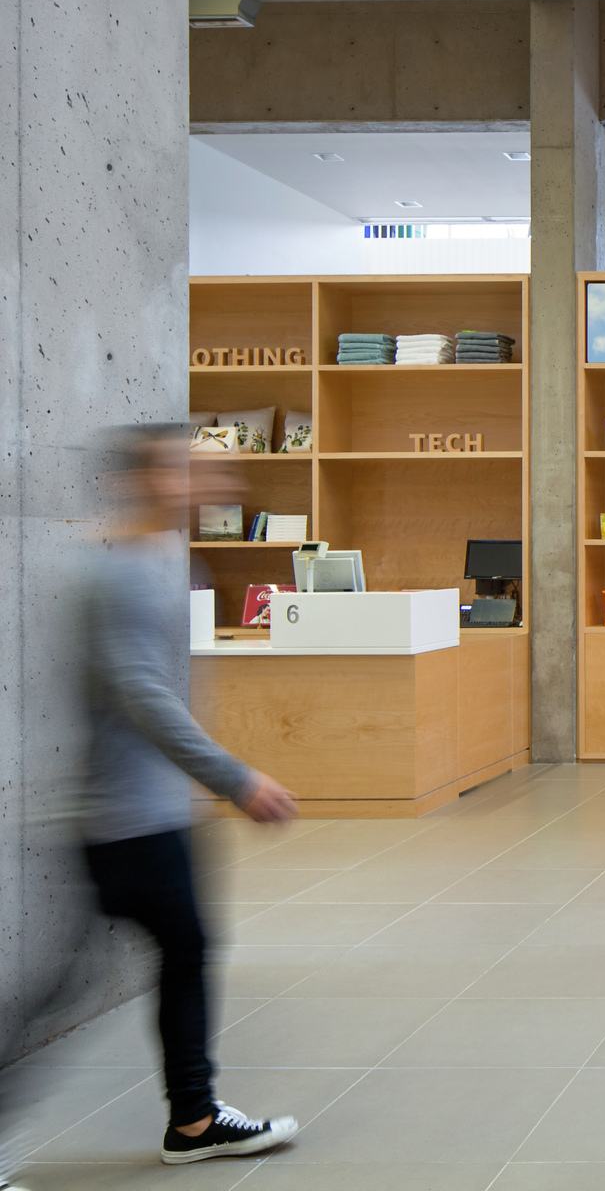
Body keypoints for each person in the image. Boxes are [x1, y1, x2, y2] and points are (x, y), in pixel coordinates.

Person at [81, 426, 301, 1165]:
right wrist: (235, 779)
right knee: (171, 953)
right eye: (193, 470)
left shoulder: (172, 560)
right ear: (151, 479)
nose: (219, 483)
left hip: (150, 807)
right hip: (125, 813)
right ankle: (194, 1119)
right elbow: (143, 694)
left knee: (179, 949)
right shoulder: (121, 572)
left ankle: (194, 1118)